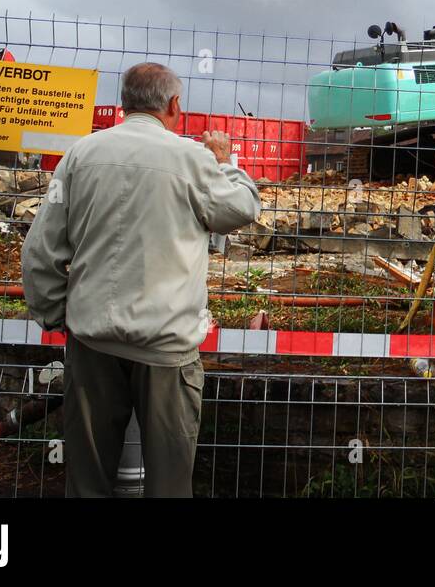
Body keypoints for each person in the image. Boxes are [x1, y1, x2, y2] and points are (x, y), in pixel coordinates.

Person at [21, 62, 261, 497]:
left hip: (92, 343)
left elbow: (40, 251)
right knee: (169, 485)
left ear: (123, 103)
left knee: (87, 483)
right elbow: (241, 208)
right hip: (166, 351)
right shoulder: (192, 159)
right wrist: (224, 163)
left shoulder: (80, 155)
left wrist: (59, 316)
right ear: (173, 105)